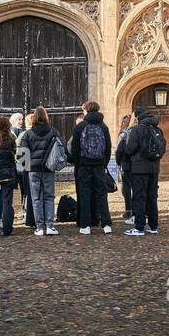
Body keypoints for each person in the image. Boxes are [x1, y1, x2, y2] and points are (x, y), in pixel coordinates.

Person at [66, 100, 112, 235]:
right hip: (99, 165)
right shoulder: (104, 126)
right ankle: (106, 224)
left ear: (85, 110)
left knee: (84, 194)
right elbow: (108, 148)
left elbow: (75, 148)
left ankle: (85, 225)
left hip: (84, 166)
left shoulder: (80, 127)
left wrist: (78, 162)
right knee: (101, 195)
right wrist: (104, 163)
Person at [122, 106, 164, 236]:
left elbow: (129, 149)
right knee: (152, 197)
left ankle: (139, 227)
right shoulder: (157, 129)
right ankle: (153, 226)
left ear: (136, 116)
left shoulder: (137, 129)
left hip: (140, 169)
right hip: (154, 168)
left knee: (139, 197)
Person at [19, 106, 61, 235]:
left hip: (33, 170)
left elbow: (22, 155)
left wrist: (26, 169)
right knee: (49, 197)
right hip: (48, 169)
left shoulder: (28, 134)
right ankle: (50, 226)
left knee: (36, 198)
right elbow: (60, 149)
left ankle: (39, 227)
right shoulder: (53, 132)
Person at [10, 110, 34, 228]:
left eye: (21, 120)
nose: (20, 122)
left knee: (26, 191)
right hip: (20, 167)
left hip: (24, 166)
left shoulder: (23, 134)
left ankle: (27, 213)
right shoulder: (15, 133)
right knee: (24, 191)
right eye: (18, 120)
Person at [116, 114, 134, 226]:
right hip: (132, 164)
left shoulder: (125, 134)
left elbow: (119, 150)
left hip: (126, 164)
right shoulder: (132, 132)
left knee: (126, 189)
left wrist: (118, 162)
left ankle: (129, 210)